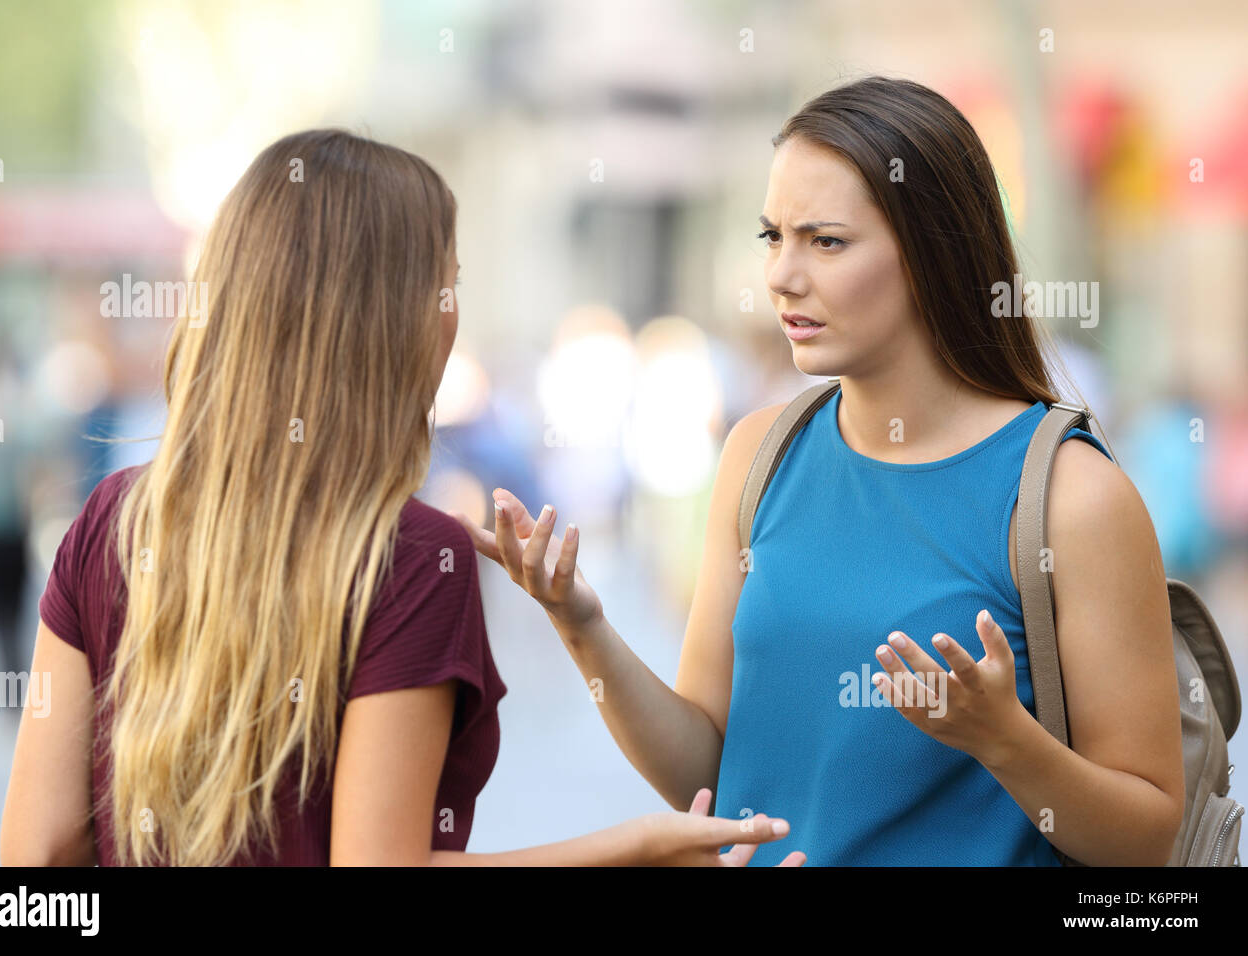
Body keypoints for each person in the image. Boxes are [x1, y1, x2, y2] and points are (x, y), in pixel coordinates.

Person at [0, 129, 803, 867]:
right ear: (389, 319)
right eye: (445, 287)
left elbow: (37, 861)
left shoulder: (113, 520)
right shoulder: (414, 558)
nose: (454, 318)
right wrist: (628, 851)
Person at [458, 76, 1186, 866]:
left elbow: (1145, 839)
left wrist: (1004, 741)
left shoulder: (1071, 498)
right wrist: (581, 622)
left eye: (825, 241)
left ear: (932, 253)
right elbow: (705, 773)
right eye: (773, 236)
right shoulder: (759, 455)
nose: (782, 275)